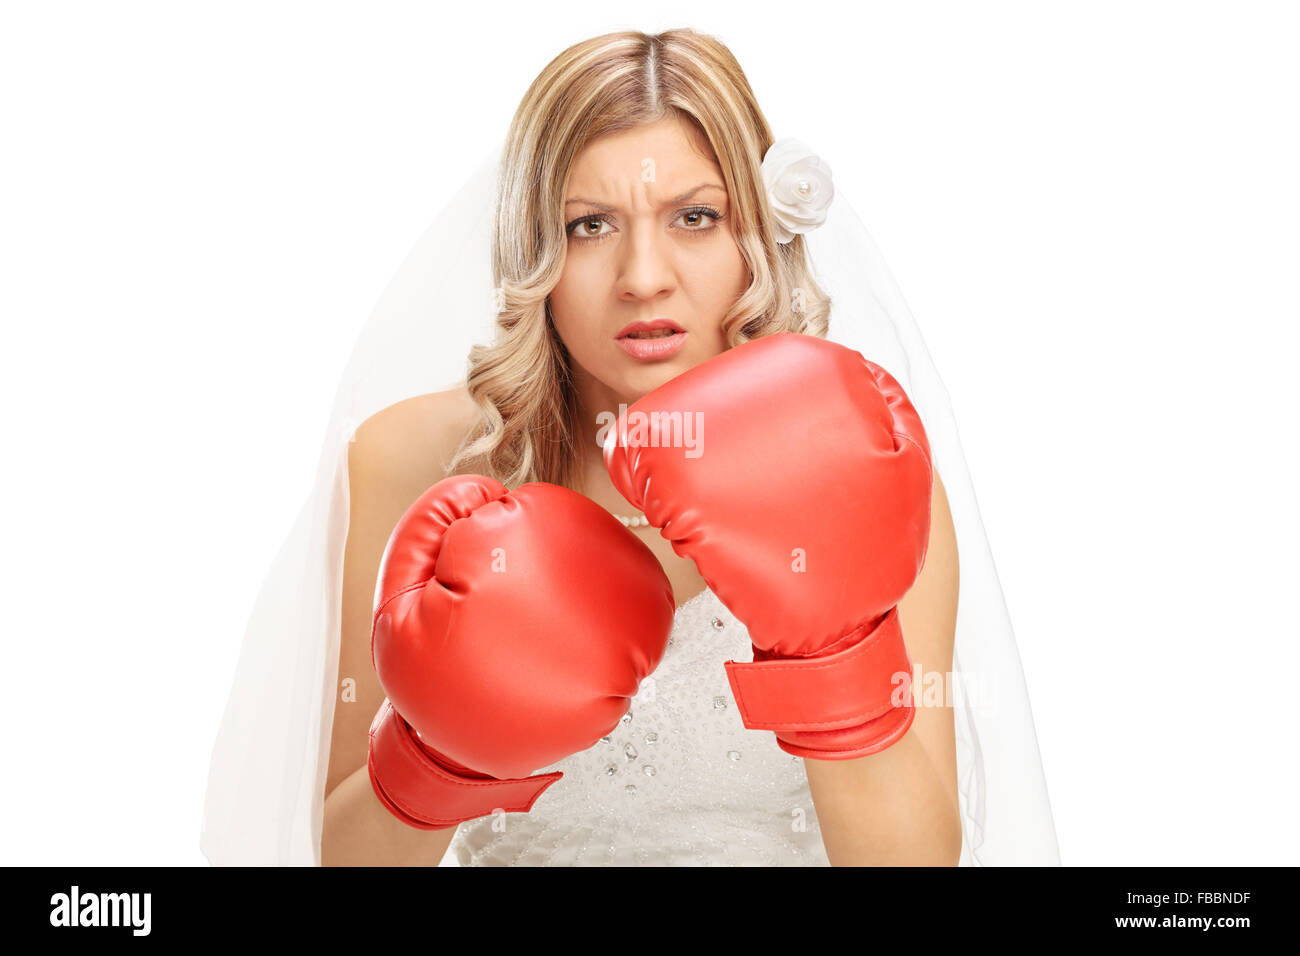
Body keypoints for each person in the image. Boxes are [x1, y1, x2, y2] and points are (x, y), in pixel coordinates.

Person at [200, 27, 1061, 867]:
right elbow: (338, 863)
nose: (643, 275)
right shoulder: (414, 459)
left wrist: (830, 652)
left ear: (754, 236)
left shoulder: (861, 465)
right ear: (532, 245)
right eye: (589, 226)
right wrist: (436, 756)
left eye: (694, 216)